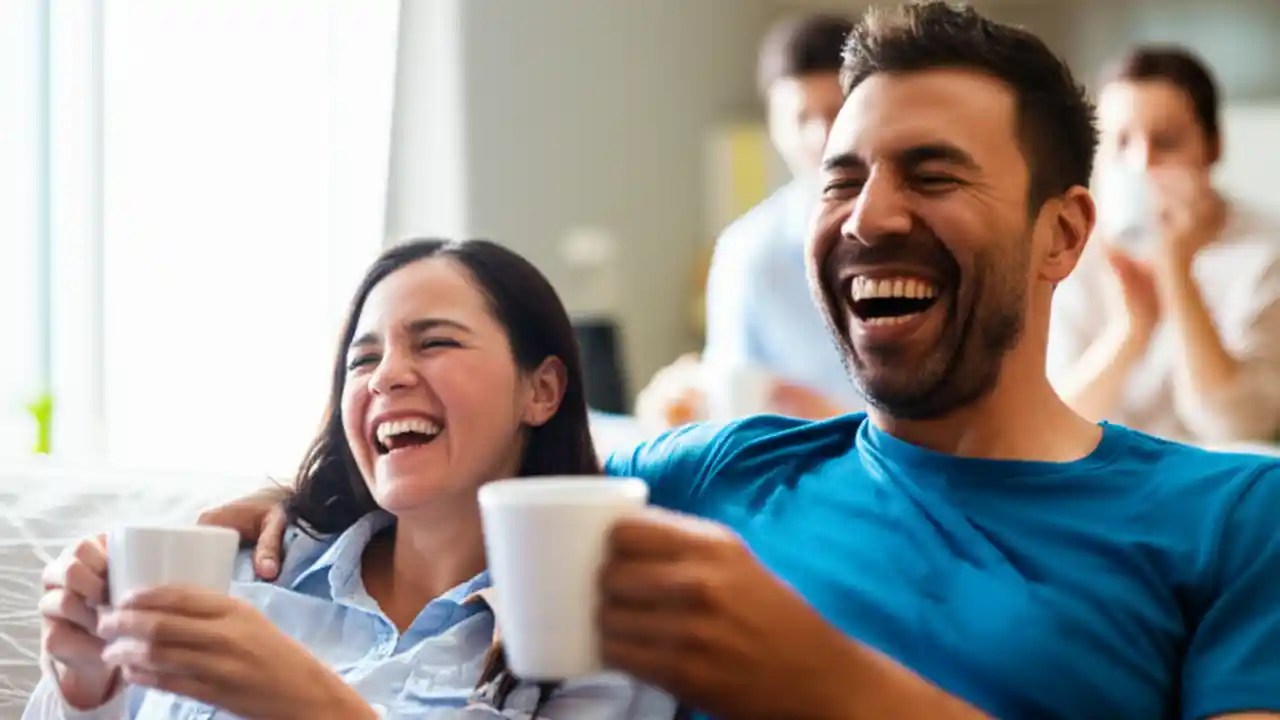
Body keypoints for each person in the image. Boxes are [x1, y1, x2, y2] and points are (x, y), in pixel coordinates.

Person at [207, 4, 1280, 718]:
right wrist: (299, 501)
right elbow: (477, 475)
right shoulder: (706, 477)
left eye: (933, 174)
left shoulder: (1232, 515)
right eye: (839, 177)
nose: (869, 215)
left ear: (1060, 234)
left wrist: (828, 685)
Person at [25, 239, 674, 718]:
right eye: (363, 359)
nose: (386, 375)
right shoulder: (249, 570)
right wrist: (84, 683)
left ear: (542, 390)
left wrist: (312, 704)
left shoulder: (589, 641)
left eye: (435, 343)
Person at [635, 15, 861, 430]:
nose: (819, 137)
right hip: (789, 469)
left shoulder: (920, 233)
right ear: (774, 126)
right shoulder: (747, 249)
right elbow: (730, 393)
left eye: (836, 113)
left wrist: (836, 418)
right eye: (800, 118)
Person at [1049, 46, 1280, 445]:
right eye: (1120, 142)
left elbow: (1241, 429)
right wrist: (1133, 329)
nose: (1141, 162)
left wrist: (1176, 270)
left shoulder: (1265, 254)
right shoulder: (1068, 248)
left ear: (1213, 147)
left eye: (1166, 141)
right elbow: (1053, 423)